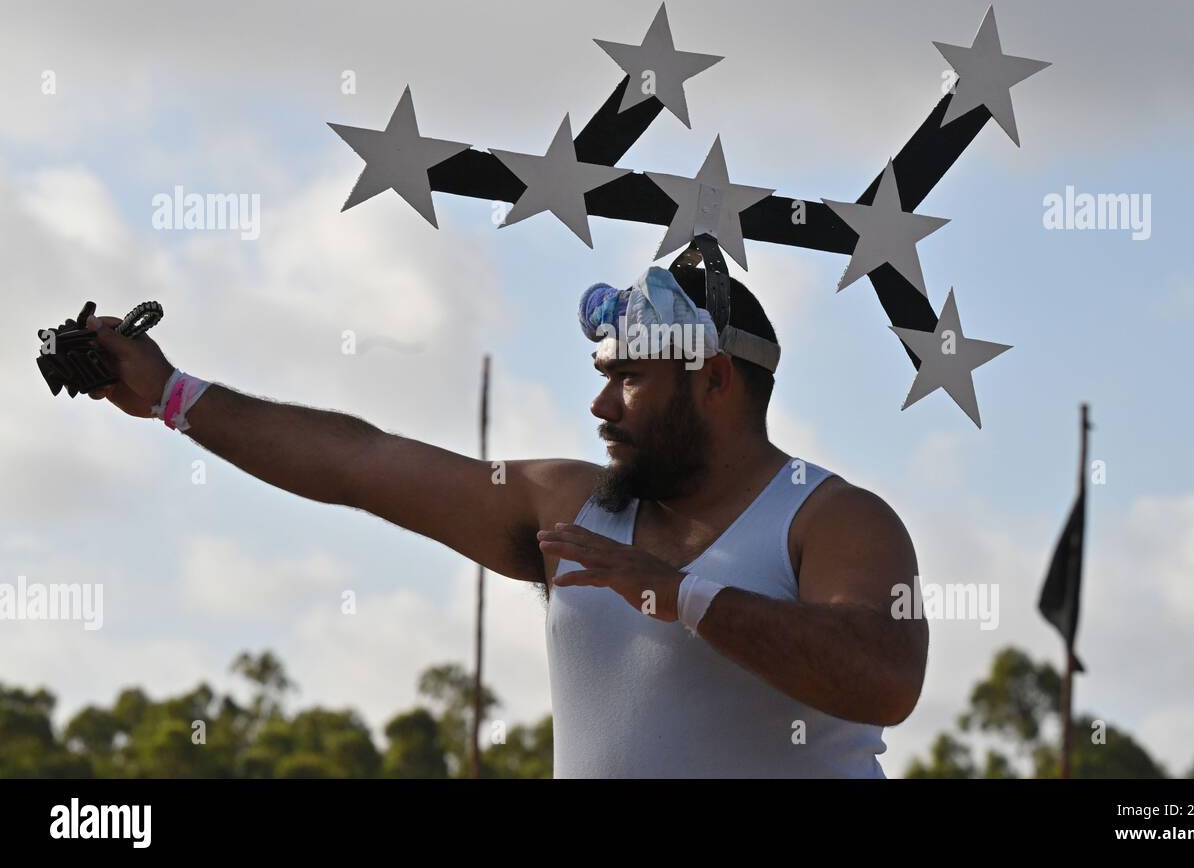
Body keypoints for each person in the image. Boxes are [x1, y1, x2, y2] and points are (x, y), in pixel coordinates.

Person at [84, 263, 928, 777]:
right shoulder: (571, 505)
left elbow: (882, 680)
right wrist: (171, 395)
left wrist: (683, 595)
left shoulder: (835, 518)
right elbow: (360, 462)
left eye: (629, 376)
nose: (599, 403)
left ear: (712, 381)